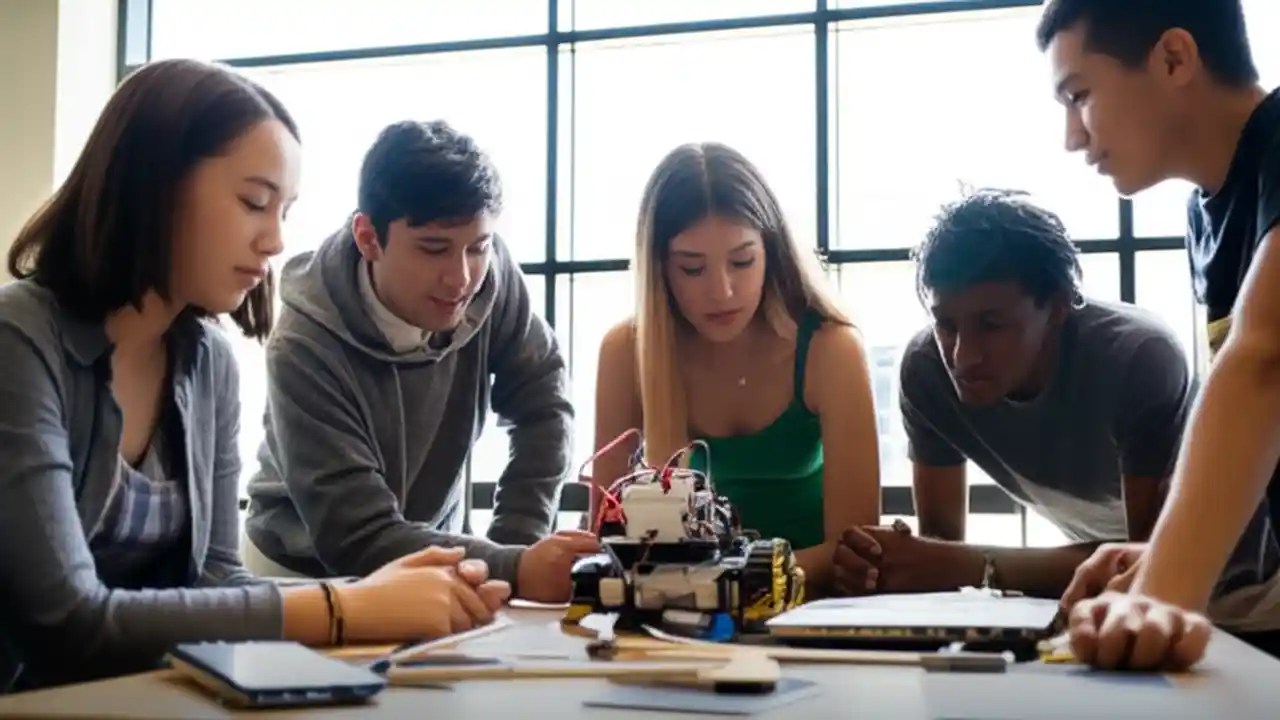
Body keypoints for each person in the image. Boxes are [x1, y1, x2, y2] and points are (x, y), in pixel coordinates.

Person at [0, 59, 509, 693]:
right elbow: (64, 618)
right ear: (153, 185)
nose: (274, 240)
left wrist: (384, 593)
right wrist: (347, 606)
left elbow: (215, 580)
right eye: (254, 202)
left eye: (285, 210)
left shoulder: (206, 360)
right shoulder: (19, 340)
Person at [244, 119, 597, 602]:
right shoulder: (303, 346)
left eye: (477, 248)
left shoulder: (489, 276)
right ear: (368, 237)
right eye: (433, 249)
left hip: (444, 561)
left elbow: (544, 407)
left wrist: (518, 545)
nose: (461, 278)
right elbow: (358, 536)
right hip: (306, 575)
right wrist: (512, 568)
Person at [1036, 0, 1280, 669]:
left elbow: (1266, 362)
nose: (1072, 137)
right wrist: (1159, 558)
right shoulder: (1207, 212)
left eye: (1078, 95)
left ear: (1175, 57)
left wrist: (1164, 591)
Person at [830, 188, 1213, 600]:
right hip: (1104, 585)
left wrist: (977, 565)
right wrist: (887, 564)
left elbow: (1147, 564)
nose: (963, 356)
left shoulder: (1138, 359)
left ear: (1059, 306)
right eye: (946, 324)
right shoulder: (927, 371)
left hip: (1238, 582)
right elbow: (938, 555)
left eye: (992, 325)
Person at [592, 142, 882, 595]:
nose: (722, 291)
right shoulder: (624, 351)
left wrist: (716, 582)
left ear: (772, 251)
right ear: (659, 269)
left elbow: (856, 548)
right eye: (692, 269)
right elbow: (606, 539)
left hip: (814, 614)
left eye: (742, 261)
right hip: (676, 618)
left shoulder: (831, 349)